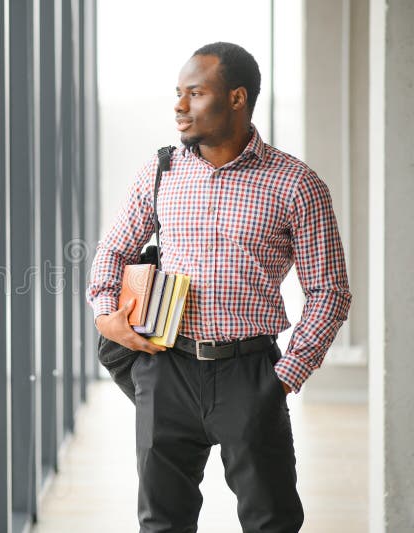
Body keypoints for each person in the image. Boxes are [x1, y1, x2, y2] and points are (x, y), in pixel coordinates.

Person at [87, 42, 351, 532]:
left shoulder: (296, 183)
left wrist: (285, 377)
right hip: (165, 366)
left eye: (194, 92)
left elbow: (330, 290)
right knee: (161, 522)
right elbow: (113, 251)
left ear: (236, 97)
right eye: (177, 93)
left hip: (249, 373)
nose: (179, 105)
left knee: (270, 520)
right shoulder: (161, 171)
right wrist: (107, 314)